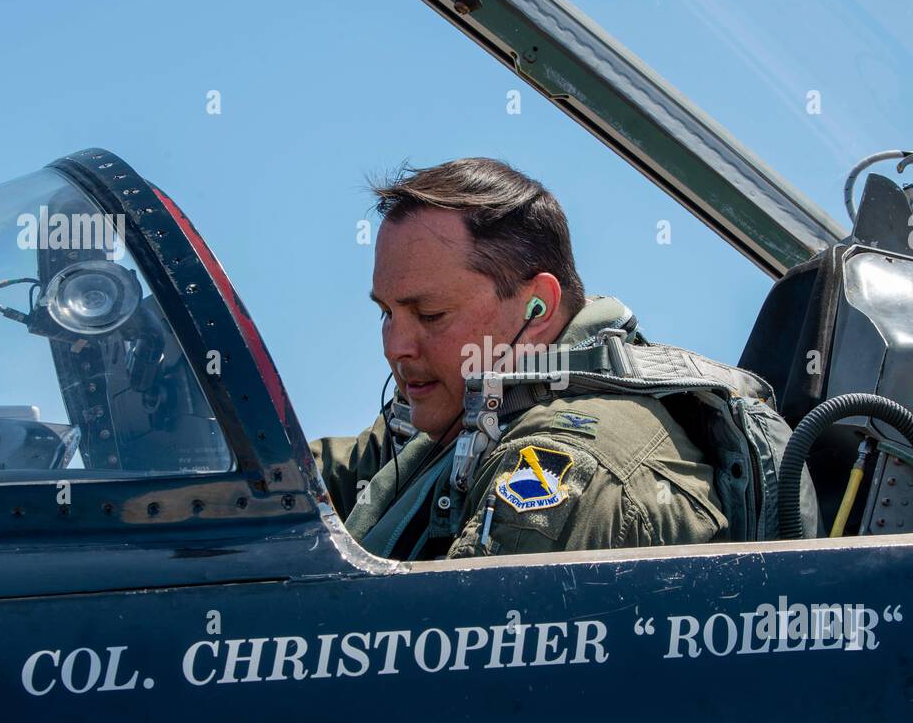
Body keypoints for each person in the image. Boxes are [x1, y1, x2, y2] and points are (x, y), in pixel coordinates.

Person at [311, 157, 811, 560]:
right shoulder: (469, 410)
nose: (396, 345)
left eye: (430, 313)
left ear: (538, 308)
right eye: (387, 313)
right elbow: (296, 474)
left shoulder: (561, 470)